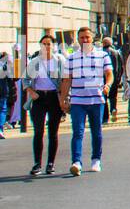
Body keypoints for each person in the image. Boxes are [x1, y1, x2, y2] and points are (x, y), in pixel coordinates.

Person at [67, 26, 113, 175]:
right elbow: (66, 80)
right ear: (78, 39)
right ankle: (76, 162)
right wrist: (63, 99)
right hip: (77, 101)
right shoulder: (71, 57)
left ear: (92, 38)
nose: (85, 40)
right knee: (77, 132)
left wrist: (108, 84)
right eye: (82, 37)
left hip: (96, 100)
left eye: (87, 37)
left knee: (96, 131)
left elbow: (109, 73)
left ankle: (96, 160)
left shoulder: (103, 55)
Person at [26, 34, 70, 175]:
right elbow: (25, 79)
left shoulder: (59, 60)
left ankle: (50, 163)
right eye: (44, 43)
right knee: (38, 131)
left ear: (53, 45)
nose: (46, 46)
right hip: (39, 97)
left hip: (53, 97)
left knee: (53, 131)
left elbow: (65, 79)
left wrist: (63, 98)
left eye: (49, 43)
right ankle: (37, 163)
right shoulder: (35, 62)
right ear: (40, 45)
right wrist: (31, 92)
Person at [100, 37, 123, 124]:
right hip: (114, 78)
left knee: (104, 97)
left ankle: (105, 117)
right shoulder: (116, 52)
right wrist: (119, 78)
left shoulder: (101, 53)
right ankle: (113, 109)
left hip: (103, 78)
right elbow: (121, 66)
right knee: (113, 96)